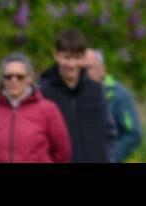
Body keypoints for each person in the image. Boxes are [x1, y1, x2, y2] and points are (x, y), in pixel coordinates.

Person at [38, 28, 116, 163]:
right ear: (56, 55)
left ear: (84, 57)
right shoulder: (43, 93)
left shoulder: (96, 91)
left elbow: (109, 132)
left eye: (76, 58)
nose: (71, 64)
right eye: (66, 57)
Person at [0, 53, 71, 163]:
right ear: (2, 79)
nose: (14, 80)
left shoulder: (48, 110)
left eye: (20, 76)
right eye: (8, 76)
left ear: (29, 78)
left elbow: (62, 152)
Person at [83, 48, 143, 162]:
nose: (84, 73)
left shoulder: (119, 94)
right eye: (81, 69)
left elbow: (133, 134)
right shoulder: (75, 93)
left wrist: (109, 158)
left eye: (88, 68)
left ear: (103, 70)